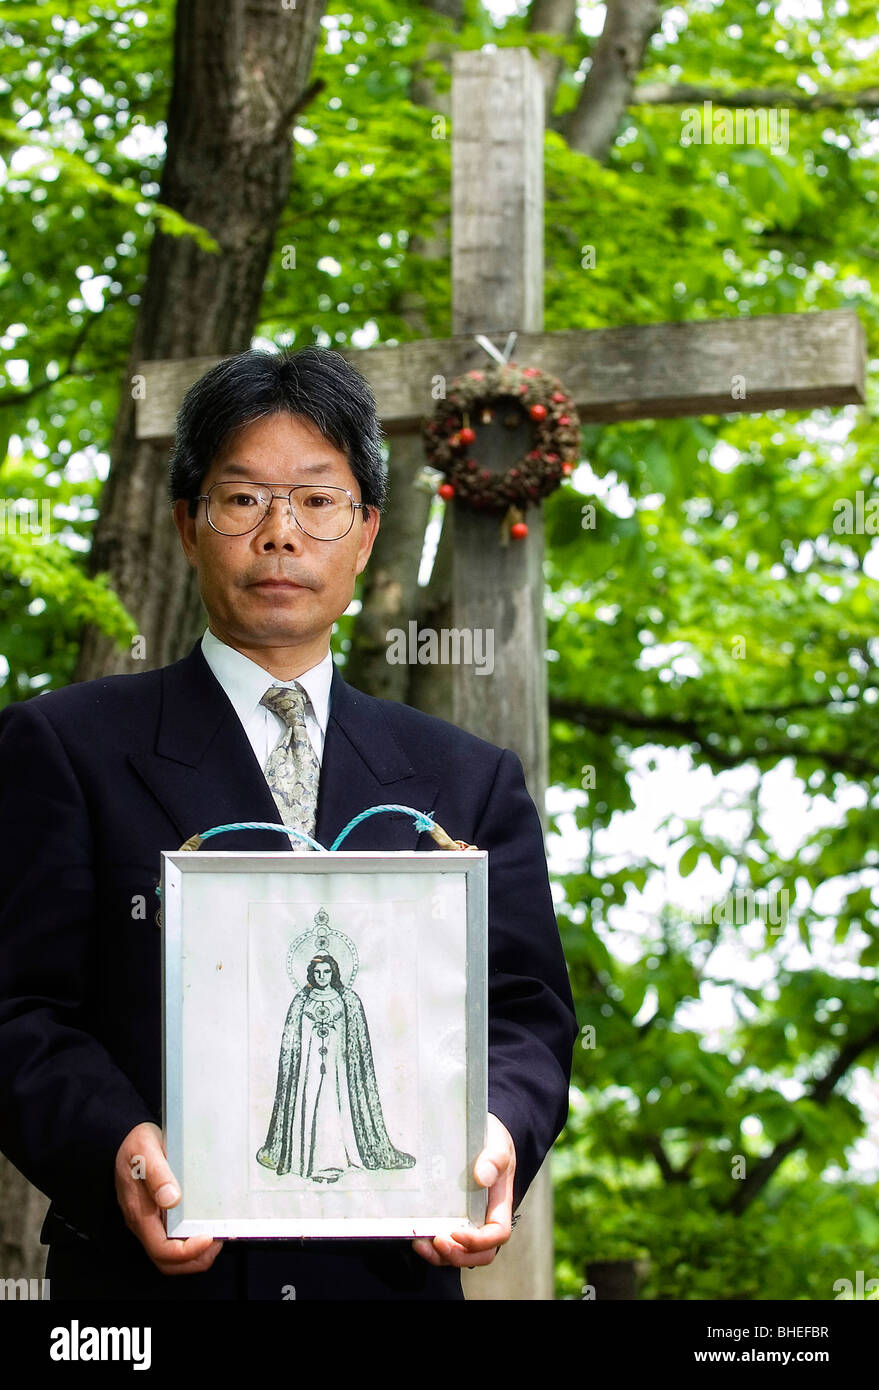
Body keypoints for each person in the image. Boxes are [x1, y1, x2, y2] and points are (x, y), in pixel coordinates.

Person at [0, 346, 577, 1300]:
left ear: (365, 533)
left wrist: (494, 1131)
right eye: (243, 500)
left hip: (389, 1280)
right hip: (146, 1288)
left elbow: (524, 1014)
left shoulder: (467, 781)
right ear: (189, 523)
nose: (280, 535)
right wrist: (116, 1146)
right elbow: (19, 1011)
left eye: (318, 501)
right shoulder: (63, 749)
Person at [256, 952, 414, 1181]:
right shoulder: (301, 1000)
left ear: (334, 973)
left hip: (337, 1068)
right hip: (308, 1070)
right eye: (318, 973)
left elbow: (355, 1038)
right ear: (311, 974)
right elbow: (293, 1038)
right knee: (309, 1103)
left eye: (327, 972)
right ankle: (307, 1163)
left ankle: (336, 1160)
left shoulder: (348, 999)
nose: (322, 977)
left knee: (335, 1106)